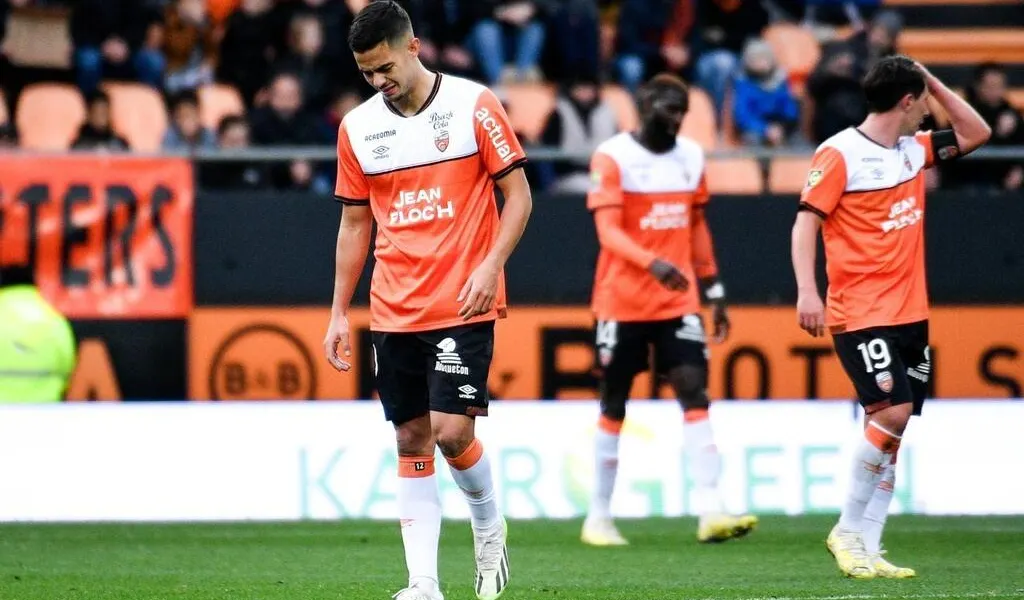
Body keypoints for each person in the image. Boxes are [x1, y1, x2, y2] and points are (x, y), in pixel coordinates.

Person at [322, 3, 532, 600]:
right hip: (393, 308)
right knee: (410, 439)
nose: (377, 81)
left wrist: (491, 266)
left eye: (384, 67)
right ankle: (424, 584)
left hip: (463, 301)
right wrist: (340, 311)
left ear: (412, 46)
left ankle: (489, 528)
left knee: (449, 433)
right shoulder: (358, 129)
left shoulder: (474, 106)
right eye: (366, 73)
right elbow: (354, 227)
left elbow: (518, 198)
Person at [791, 55, 991, 579]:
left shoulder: (912, 152)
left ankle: (871, 547)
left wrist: (933, 82)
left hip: (910, 314)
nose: (929, 111)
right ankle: (847, 531)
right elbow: (805, 223)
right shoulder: (839, 153)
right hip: (859, 311)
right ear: (906, 102)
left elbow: (978, 131)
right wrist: (808, 291)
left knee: (890, 431)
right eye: (923, 100)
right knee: (894, 412)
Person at [581, 73, 758, 547]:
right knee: (614, 402)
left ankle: (711, 509)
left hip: (677, 301)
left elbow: (696, 226)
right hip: (621, 302)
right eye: (669, 110)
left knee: (693, 390)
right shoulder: (613, 157)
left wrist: (714, 288)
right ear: (645, 109)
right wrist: (652, 262)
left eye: (682, 110)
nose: (677, 119)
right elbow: (608, 233)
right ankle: (598, 517)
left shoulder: (692, 157)